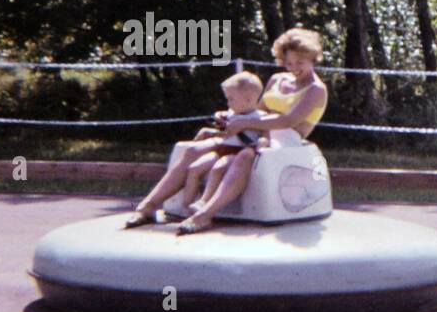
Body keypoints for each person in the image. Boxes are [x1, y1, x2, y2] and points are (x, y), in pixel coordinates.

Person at [175, 27, 329, 235]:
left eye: (299, 63)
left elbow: (288, 120)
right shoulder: (277, 79)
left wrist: (248, 125)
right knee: (200, 148)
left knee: (245, 155)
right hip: (258, 131)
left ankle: (204, 215)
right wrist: (229, 117)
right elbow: (257, 111)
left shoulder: (316, 89)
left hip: (286, 139)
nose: (293, 68)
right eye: (289, 62)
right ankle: (159, 205)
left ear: (312, 58)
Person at [123, 71, 268, 228]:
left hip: (242, 151)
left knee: (223, 165)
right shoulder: (232, 112)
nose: (227, 103)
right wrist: (218, 124)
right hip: (224, 147)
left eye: (230, 99)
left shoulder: (260, 117)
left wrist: (261, 142)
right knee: (192, 154)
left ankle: (203, 208)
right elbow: (224, 130)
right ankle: (155, 206)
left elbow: (266, 133)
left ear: (248, 99)